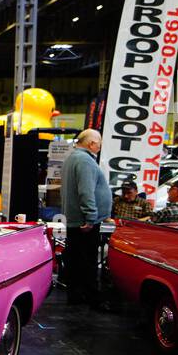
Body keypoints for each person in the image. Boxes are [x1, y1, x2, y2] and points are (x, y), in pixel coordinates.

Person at [61, 129, 112, 310]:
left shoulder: (73, 158)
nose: (99, 146)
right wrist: (90, 217)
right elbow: (86, 191)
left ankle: (75, 295)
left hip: (75, 219)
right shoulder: (85, 160)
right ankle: (93, 299)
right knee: (88, 261)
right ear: (92, 144)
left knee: (75, 260)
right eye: (99, 142)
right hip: (85, 222)